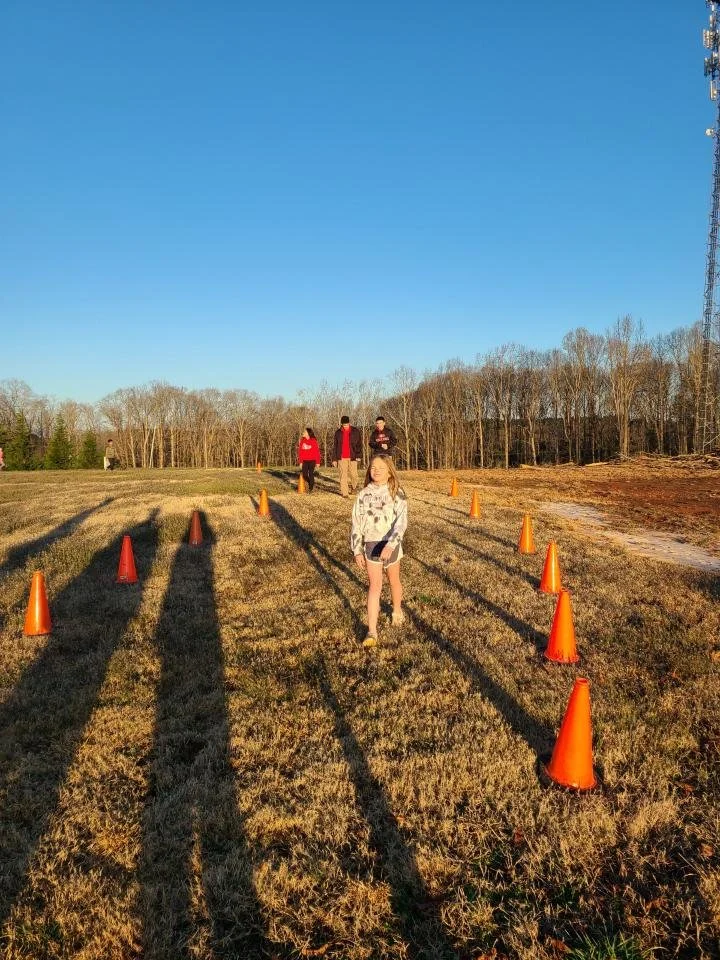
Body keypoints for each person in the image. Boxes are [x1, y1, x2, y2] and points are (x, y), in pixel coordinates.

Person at [351, 453, 407, 647]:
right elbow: (356, 523)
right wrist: (357, 549)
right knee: (375, 586)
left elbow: (401, 523)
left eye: (380, 468)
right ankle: (372, 631)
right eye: (373, 467)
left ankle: (397, 610)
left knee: (394, 581)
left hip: (391, 544)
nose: (375, 471)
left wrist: (392, 544)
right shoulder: (362, 495)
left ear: (390, 472)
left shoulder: (396, 493)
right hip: (371, 545)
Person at [332, 415, 362, 498]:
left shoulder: (355, 431)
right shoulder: (338, 433)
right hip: (341, 458)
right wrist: (334, 459)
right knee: (343, 475)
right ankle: (345, 493)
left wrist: (359, 455)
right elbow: (335, 446)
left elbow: (359, 444)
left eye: (346, 425)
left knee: (354, 475)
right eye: (343, 425)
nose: (345, 426)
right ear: (341, 424)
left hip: (353, 456)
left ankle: (354, 487)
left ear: (349, 423)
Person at [297, 427, 321, 492]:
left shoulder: (313, 441)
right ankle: (310, 482)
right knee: (304, 474)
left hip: (312, 461)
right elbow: (300, 452)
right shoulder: (302, 441)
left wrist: (318, 462)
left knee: (311, 473)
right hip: (304, 461)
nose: (303, 433)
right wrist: (301, 462)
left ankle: (311, 487)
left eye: (304, 432)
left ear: (308, 433)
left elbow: (317, 452)